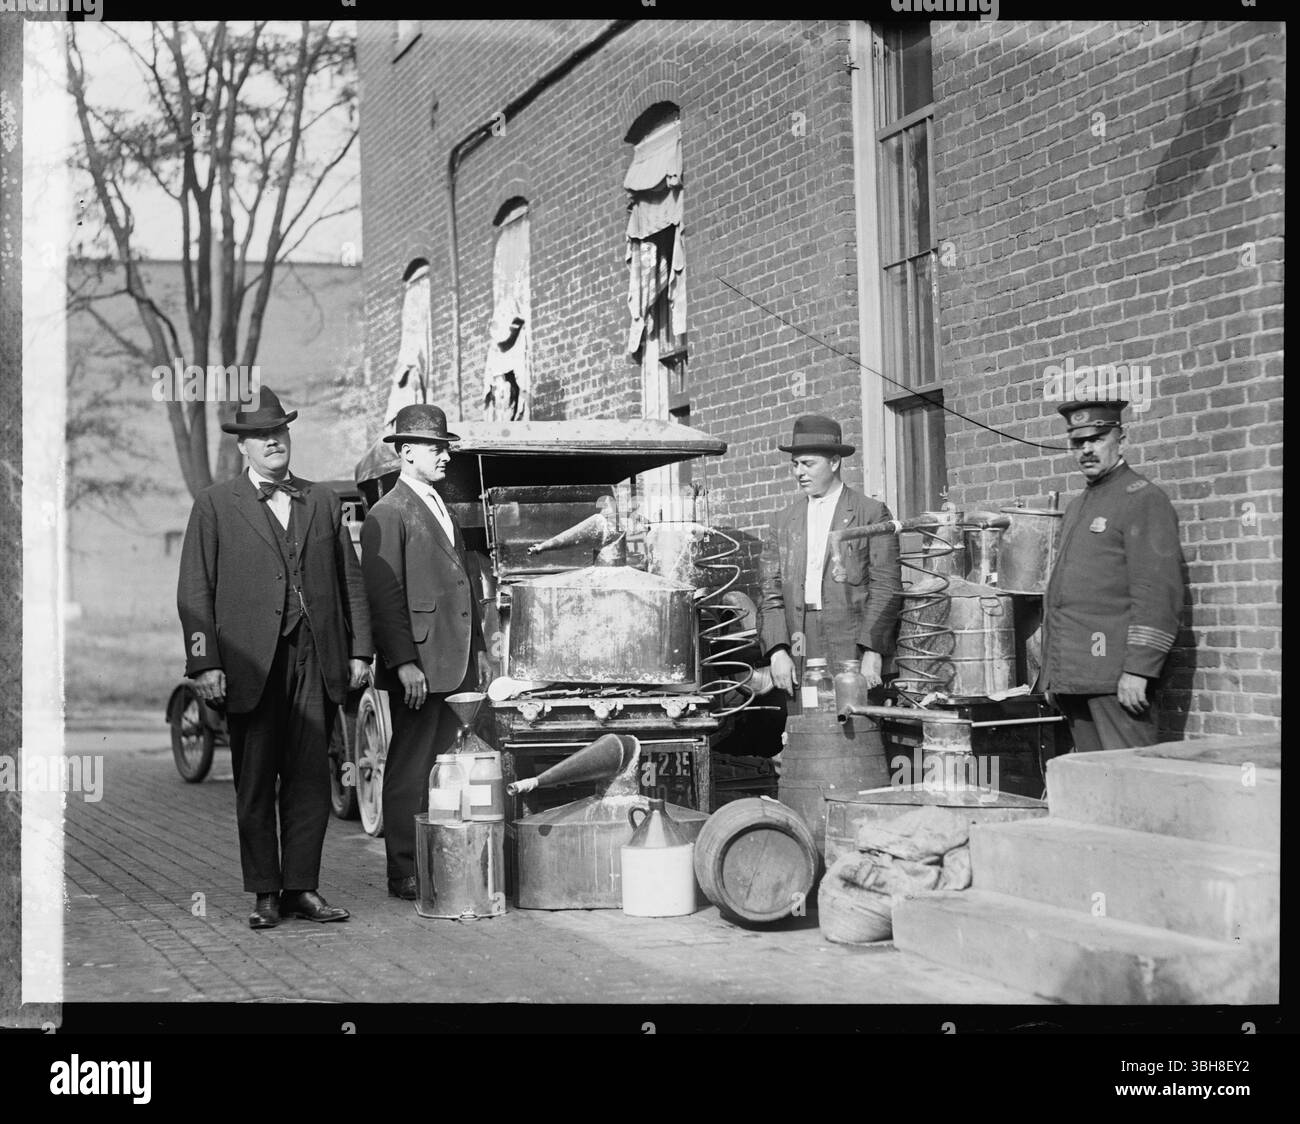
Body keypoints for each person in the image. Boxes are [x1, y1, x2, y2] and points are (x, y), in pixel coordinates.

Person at [177, 387, 372, 930]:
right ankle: (265, 891)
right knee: (257, 779)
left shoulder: (321, 500)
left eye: (279, 432)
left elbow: (349, 581)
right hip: (248, 664)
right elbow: (195, 593)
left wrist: (360, 649)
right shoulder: (215, 504)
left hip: (317, 655)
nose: (272, 442)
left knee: (311, 778)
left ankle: (302, 890)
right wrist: (205, 664)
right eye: (261, 437)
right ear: (243, 447)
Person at [360, 404, 491, 900]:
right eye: (435, 448)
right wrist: (404, 662)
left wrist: (477, 651)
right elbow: (384, 596)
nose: (444, 457)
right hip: (419, 666)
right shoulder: (387, 513)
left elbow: (459, 587)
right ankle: (402, 871)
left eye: (445, 448)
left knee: (446, 768)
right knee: (410, 770)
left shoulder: (439, 507)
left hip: (454, 663)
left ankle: (439, 860)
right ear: (406, 452)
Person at [1042, 400, 1184, 751]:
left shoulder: (1143, 499)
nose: (1087, 450)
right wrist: (1052, 673)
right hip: (1075, 677)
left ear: (1121, 439)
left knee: (1130, 782)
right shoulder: (1078, 506)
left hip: (1116, 679)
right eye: (1078, 443)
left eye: (1098, 438)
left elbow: (1157, 592)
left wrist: (1140, 669)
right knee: (1093, 784)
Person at [759, 414, 903, 700]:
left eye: (808, 464)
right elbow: (770, 592)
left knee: (856, 725)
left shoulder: (870, 514)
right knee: (807, 727)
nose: (799, 472)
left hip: (853, 639)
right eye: (795, 464)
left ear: (835, 462)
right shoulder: (783, 521)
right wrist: (777, 650)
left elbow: (886, 587)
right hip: (801, 640)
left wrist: (872, 651)